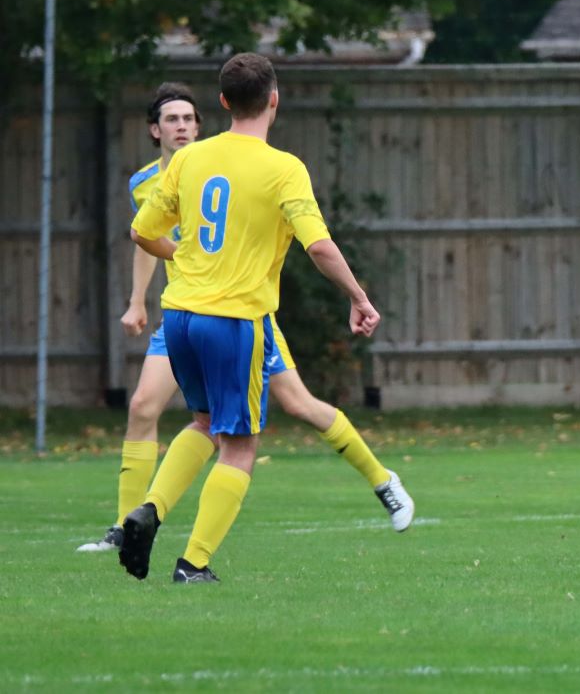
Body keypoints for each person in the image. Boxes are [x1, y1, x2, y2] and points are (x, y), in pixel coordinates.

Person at [78, 84, 412, 555]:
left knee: (297, 405)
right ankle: (130, 527)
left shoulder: (219, 164)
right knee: (147, 408)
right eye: (171, 119)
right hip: (187, 310)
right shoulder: (151, 180)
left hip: (237, 314)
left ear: (206, 118)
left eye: (188, 118)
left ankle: (382, 479)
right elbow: (144, 238)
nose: (181, 127)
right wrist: (139, 299)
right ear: (154, 130)